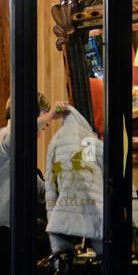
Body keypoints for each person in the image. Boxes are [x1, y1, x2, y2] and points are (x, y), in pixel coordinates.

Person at [0, 94, 60, 275]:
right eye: (44, 114)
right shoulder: (3, 136)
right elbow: (18, 134)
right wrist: (49, 116)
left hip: (12, 232)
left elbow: (39, 188)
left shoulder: (22, 151)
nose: (47, 124)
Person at [44, 103, 104, 256]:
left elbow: (51, 184)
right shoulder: (89, 139)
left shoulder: (55, 141)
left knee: (64, 256)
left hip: (63, 207)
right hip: (92, 205)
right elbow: (94, 173)